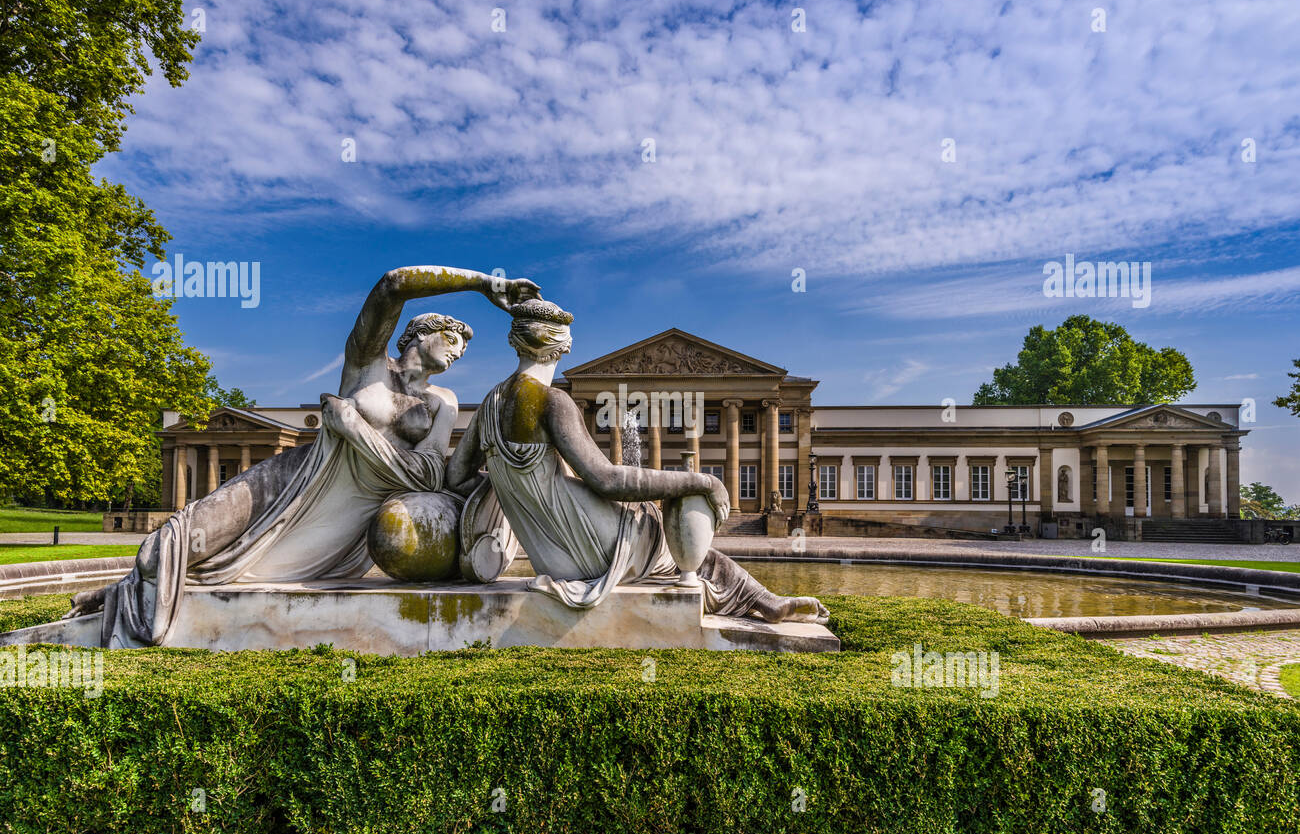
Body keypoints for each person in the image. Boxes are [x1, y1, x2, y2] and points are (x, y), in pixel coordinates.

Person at [70, 266, 540, 646]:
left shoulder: (444, 402)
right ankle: (119, 593)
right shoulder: (368, 365)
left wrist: (354, 427)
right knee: (161, 552)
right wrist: (484, 283)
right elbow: (392, 285)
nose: (462, 350)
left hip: (350, 519)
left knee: (198, 568)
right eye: (455, 338)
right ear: (419, 334)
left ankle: (122, 593)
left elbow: (426, 472)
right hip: (299, 482)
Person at [445, 297, 829, 624]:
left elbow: (458, 476)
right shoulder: (553, 401)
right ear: (562, 347)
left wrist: (517, 493)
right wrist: (704, 481)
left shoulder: (488, 406)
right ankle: (761, 601)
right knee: (663, 524)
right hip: (593, 545)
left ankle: (760, 599)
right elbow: (608, 480)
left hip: (551, 556)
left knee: (655, 523)